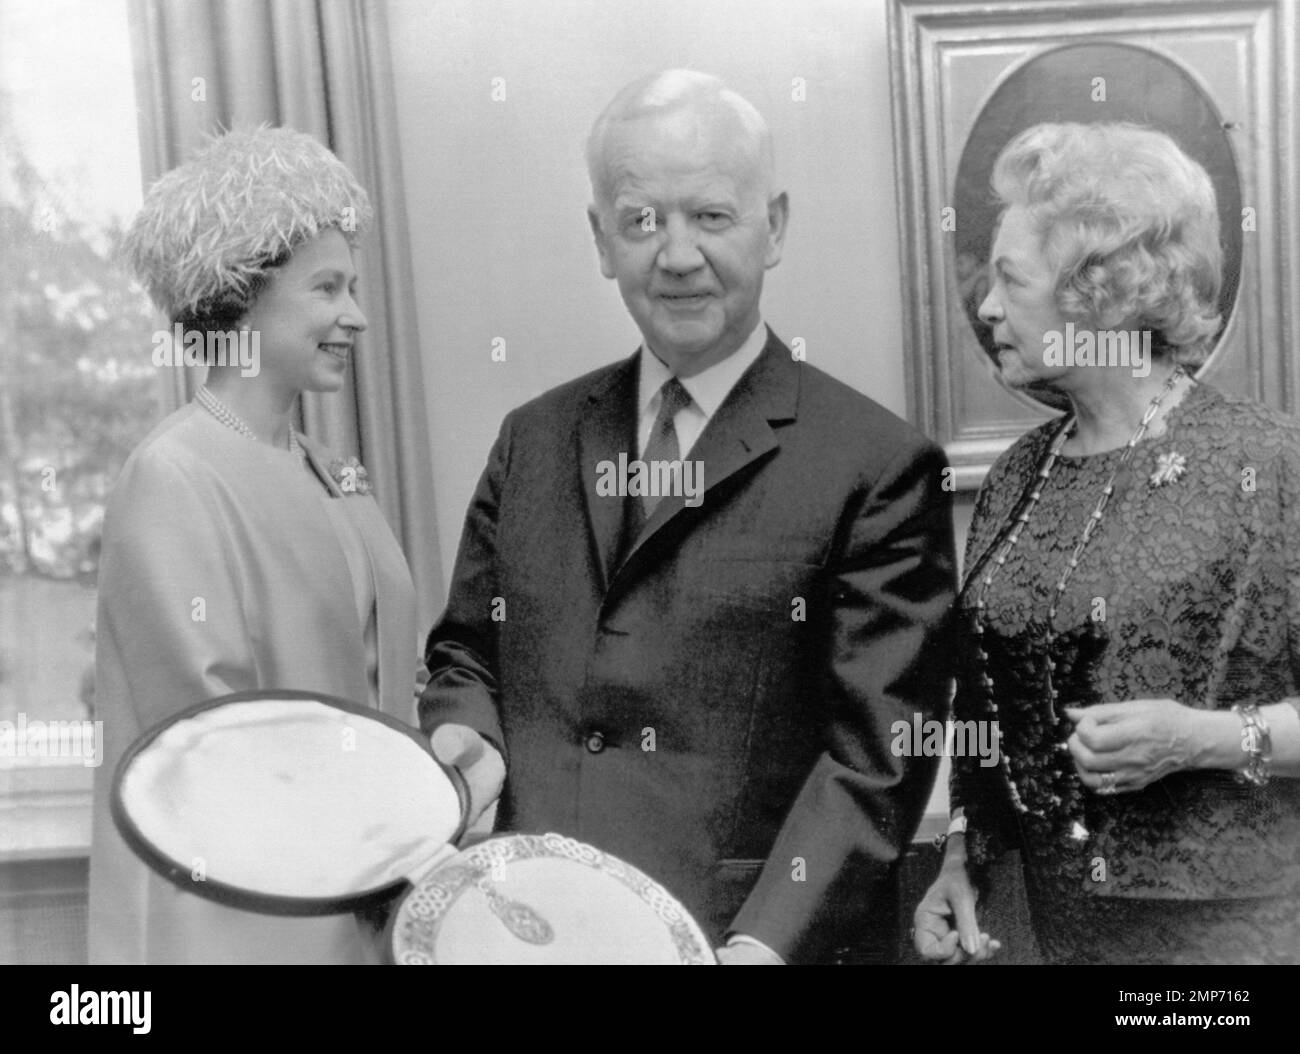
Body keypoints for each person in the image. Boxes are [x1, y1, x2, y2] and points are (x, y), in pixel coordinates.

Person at [419, 70, 957, 964]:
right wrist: (464, 738)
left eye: (710, 217)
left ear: (773, 225)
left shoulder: (877, 466)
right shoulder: (532, 439)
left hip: (736, 944)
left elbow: (878, 758)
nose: (675, 255)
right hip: (531, 935)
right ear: (601, 239)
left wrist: (762, 945)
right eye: (640, 221)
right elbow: (467, 650)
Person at [914, 122, 1300, 965]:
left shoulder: (1269, 466)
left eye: (1009, 281)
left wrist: (1202, 739)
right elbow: (985, 704)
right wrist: (959, 859)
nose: (984, 307)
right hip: (1060, 930)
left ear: (1100, 292)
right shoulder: (1020, 472)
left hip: (1226, 945)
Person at [91, 126, 420, 964]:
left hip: (365, 897)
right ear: (243, 296)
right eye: (327, 289)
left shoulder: (329, 470)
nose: (357, 316)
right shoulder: (174, 474)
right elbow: (208, 742)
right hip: (246, 920)